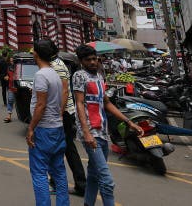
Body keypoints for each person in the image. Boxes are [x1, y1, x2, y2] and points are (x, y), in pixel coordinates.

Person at [73, 44, 143, 206]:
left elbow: (106, 103)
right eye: (88, 60)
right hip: (90, 131)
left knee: (94, 174)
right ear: (81, 61)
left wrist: (128, 122)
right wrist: (86, 133)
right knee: (107, 180)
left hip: (102, 130)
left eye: (94, 59)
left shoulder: (98, 76)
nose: (92, 62)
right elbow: (80, 103)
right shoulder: (79, 76)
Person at [26, 40, 69, 206]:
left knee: (39, 173)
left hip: (44, 129)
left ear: (36, 53)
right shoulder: (54, 74)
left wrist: (31, 128)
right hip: (57, 128)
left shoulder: (41, 75)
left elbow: (41, 105)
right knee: (59, 172)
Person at [47, 42, 86, 196]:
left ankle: (59, 183)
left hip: (62, 114)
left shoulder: (55, 66)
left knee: (58, 149)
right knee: (67, 149)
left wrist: (58, 114)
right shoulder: (57, 64)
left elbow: (63, 91)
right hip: (64, 113)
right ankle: (78, 183)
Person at [3, 55, 17, 123]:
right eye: (10, 61)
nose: (11, 62)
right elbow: (6, 75)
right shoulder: (8, 67)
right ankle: (9, 116)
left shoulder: (19, 67)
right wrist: (6, 77)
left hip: (19, 88)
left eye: (13, 61)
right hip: (11, 86)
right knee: (10, 100)